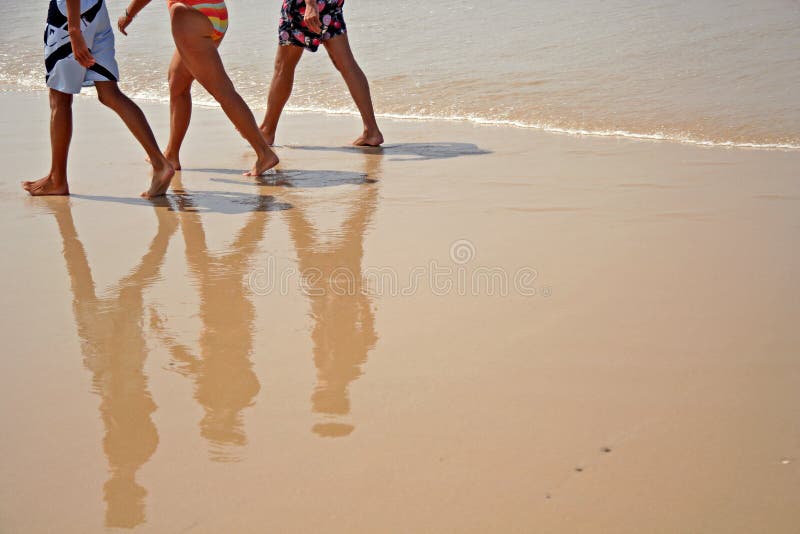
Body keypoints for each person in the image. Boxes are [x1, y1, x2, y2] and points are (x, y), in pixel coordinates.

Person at [23, 0, 175, 198]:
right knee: (110, 94)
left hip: (69, 15)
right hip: (96, 11)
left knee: (59, 98)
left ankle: (57, 180)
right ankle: (160, 163)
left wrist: (74, 29)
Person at [118, 0, 279, 175]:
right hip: (216, 11)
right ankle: (172, 154)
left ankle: (264, 153)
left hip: (188, 16)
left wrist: (129, 14)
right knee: (177, 83)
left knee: (222, 90)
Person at [261, 0, 384, 147]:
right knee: (347, 65)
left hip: (304, 5)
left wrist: (311, 4)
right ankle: (371, 130)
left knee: (283, 67)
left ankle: (267, 131)